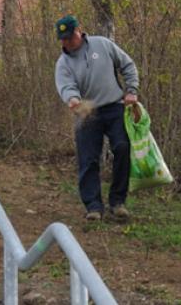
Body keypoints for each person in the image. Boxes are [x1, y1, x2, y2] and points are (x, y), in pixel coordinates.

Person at [54, 14, 140, 221]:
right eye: (63, 39)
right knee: (88, 158)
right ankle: (93, 206)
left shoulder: (102, 45)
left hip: (115, 106)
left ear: (79, 31)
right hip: (87, 113)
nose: (67, 42)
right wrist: (73, 99)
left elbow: (127, 65)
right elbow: (66, 86)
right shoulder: (63, 63)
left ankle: (118, 202)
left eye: (70, 37)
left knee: (122, 148)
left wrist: (131, 90)